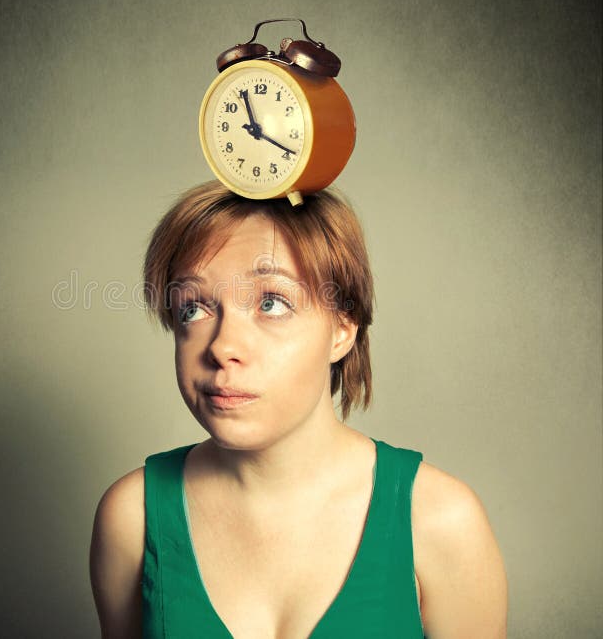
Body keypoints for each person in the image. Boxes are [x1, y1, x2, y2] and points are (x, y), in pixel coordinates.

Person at [90, 181, 507, 638]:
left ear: (343, 329)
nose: (223, 346)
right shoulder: (132, 518)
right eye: (193, 309)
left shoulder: (440, 521)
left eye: (271, 303)